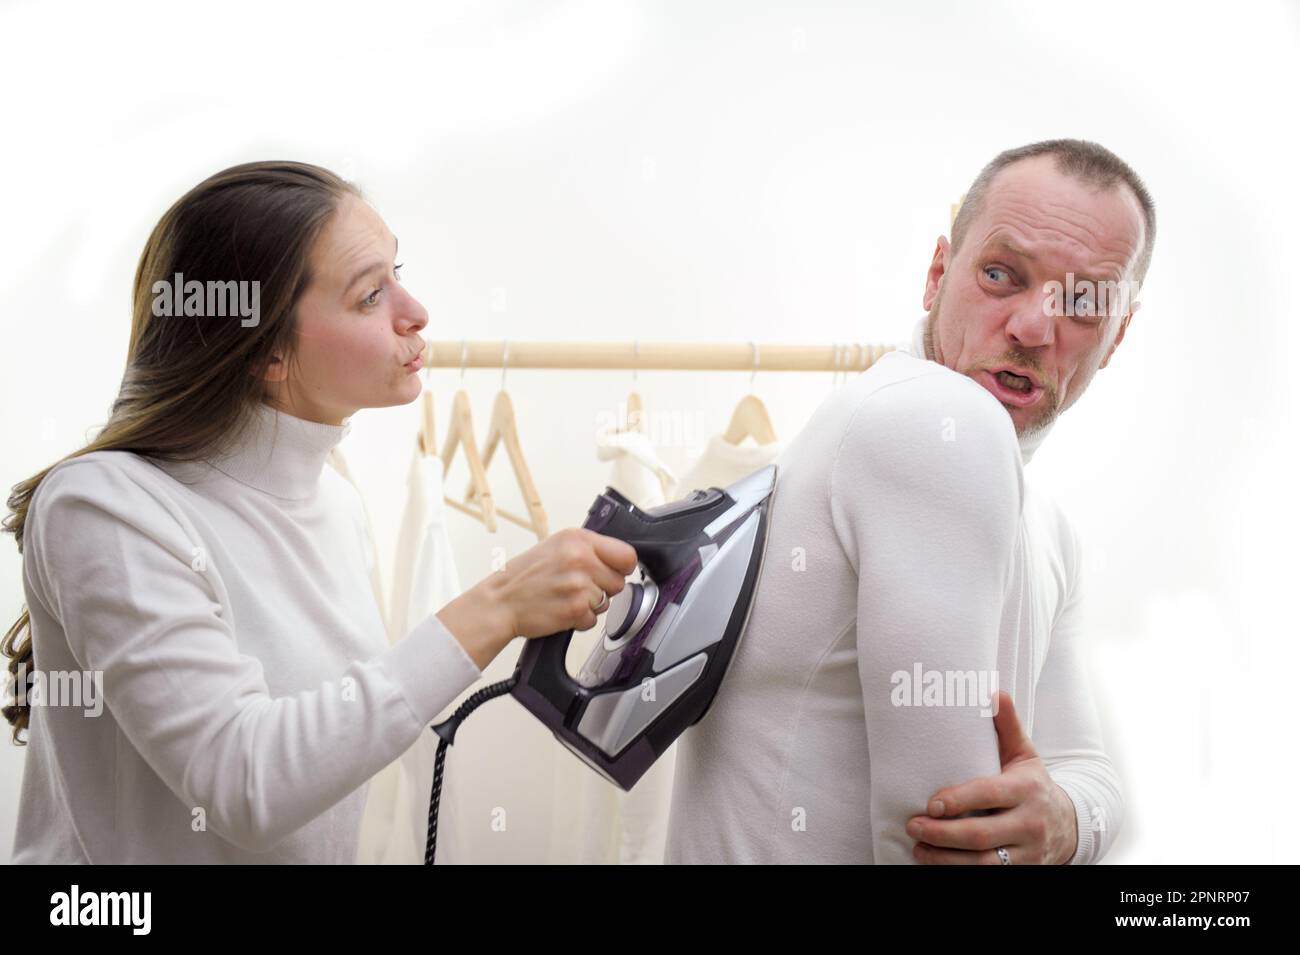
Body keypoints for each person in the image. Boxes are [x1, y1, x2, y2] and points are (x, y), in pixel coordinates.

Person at [1, 161, 636, 863]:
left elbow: (333, 767)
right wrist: (500, 605)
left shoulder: (336, 499)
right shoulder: (104, 506)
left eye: (399, 270)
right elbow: (244, 782)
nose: (415, 309)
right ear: (268, 350)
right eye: (371, 294)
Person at [665, 138, 1153, 864]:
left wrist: (1065, 819)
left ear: (1117, 337)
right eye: (1000, 274)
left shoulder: (1050, 529)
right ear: (936, 276)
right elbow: (939, 836)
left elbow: (1096, 777)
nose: (1030, 328)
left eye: (1082, 302)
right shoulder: (926, 419)